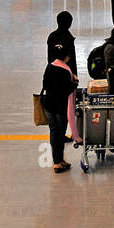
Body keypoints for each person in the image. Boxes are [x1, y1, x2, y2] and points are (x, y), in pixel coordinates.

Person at [40, 40, 78, 173]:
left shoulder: (50, 66)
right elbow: (67, 89)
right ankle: (58, 161)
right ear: (66, 56)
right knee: (60, 134)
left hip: (49, 105)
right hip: (60, 107)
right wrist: (75, 82)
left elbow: (45, 84)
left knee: (54, 132)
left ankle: (58, 161)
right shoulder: (65, 70)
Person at [46, 11, 78, 80]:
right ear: (69, 23)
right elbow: (72, 60)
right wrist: (74, 74)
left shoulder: (52, 36)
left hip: (52, 72)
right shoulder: (69, 38)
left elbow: (49, 58)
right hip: (66, 75)